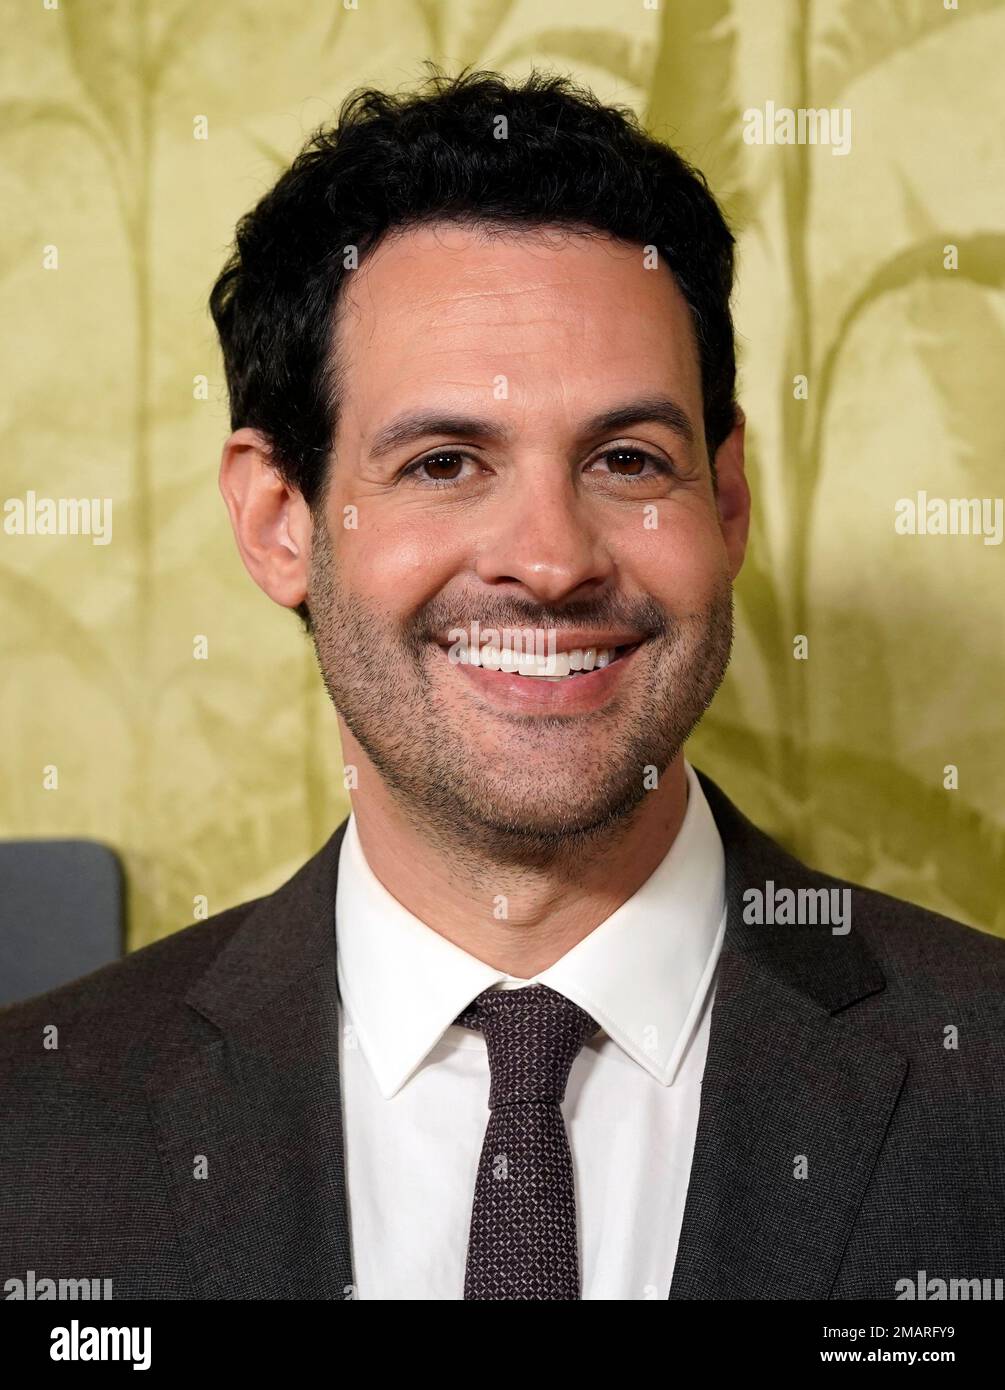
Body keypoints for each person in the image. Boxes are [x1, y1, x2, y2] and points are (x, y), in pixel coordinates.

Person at [2, 68, 1002, 1302]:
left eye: (629, 459)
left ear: (727, 501)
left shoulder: (984, 1075)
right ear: (279, 521)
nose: (551, 559)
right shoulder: (33, 1135)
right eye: (443, 463)